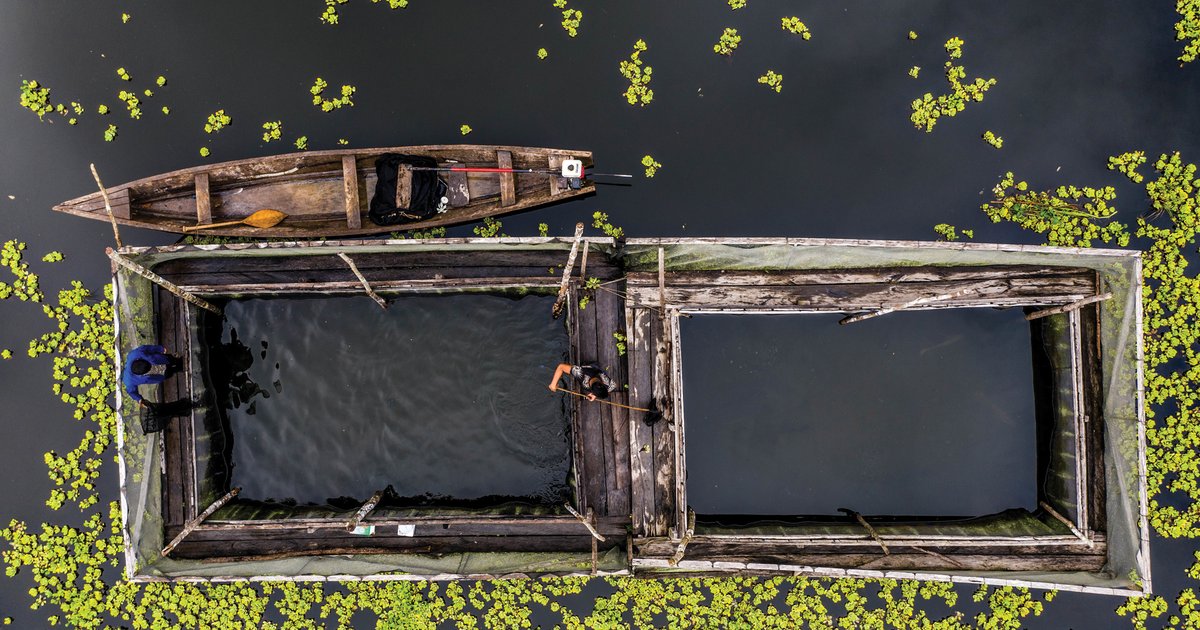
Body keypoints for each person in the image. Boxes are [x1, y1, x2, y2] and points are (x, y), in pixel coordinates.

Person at [548, 362, 618, 401]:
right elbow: (561, 367)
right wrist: (553, 384)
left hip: (596, 371)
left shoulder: (606, 381)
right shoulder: (580, 373)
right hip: (589, 368)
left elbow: (613, 385)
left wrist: (594, 395)